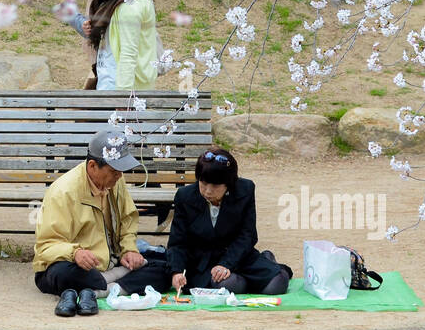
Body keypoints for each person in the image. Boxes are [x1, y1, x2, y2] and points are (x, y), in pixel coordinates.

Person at [33, 127, 172, 317]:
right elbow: (46, 245)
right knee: (62, 274)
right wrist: (75, 253)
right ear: (92, 166)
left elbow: (127, 220)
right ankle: (113, 285)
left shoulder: (115, 182)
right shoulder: (63, 192)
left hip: (111, 263)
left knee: (166, 267)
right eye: (115, 171)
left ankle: (94, 291)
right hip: (78, 267)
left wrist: (128, 249)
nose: (120, 176)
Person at [167, 147, 291, 295]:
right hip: (202, 260)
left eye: (215, 186)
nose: (208, 191)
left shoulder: (245, 189)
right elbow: (177, 242)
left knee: (277, 285)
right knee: (225, 285)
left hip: (237, 255)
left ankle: (267, 262)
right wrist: (177, 271)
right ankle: (255, 272)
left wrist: (226, 264)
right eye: (203, 183)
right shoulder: (184, 196)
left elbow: (248, 234)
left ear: (229, 184)